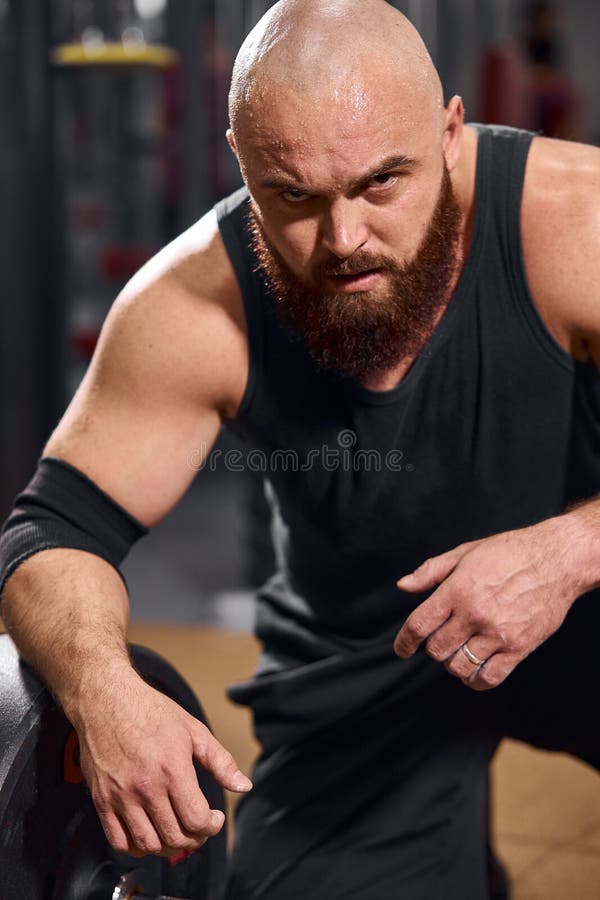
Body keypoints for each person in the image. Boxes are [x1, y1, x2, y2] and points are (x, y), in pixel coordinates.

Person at [1, 1, 600, 897]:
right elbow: (51, 531)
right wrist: (105, 693)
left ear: (448, 134)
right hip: (372, 644)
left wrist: (571, 548)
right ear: (240, 160)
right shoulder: (192, 305)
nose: (344, 238)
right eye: (296, 197)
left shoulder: (577, 224)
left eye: (381, 183)